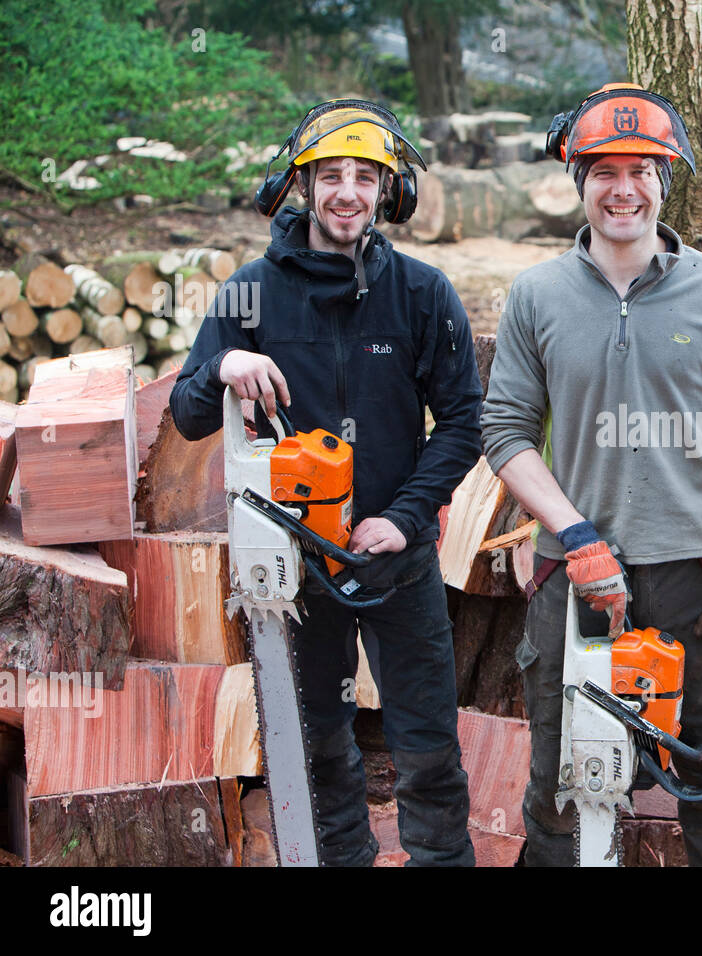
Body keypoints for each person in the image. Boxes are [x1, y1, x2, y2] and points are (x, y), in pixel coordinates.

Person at [168, 99, 482, 866]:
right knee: (318, 747)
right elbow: (185, 413)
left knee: (428, 746)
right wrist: (223, 364)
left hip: (398, 557)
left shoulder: (423, 293)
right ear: (302, 185)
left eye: (365, 177)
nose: (348, 193)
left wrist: (405, 517)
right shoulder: (250, 291)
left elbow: (464, 423)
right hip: (296, 561)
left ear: (390, 190)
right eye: (331, 175)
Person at [481, 83, 702, 866]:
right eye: (605, 172)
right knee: (563, 787)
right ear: (579, 181)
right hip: (574, 576)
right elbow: (505, 431)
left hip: (697, 581)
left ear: (664, 180)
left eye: (641, 170)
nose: (623, 190)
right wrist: (576, 535)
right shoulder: (538, 295)